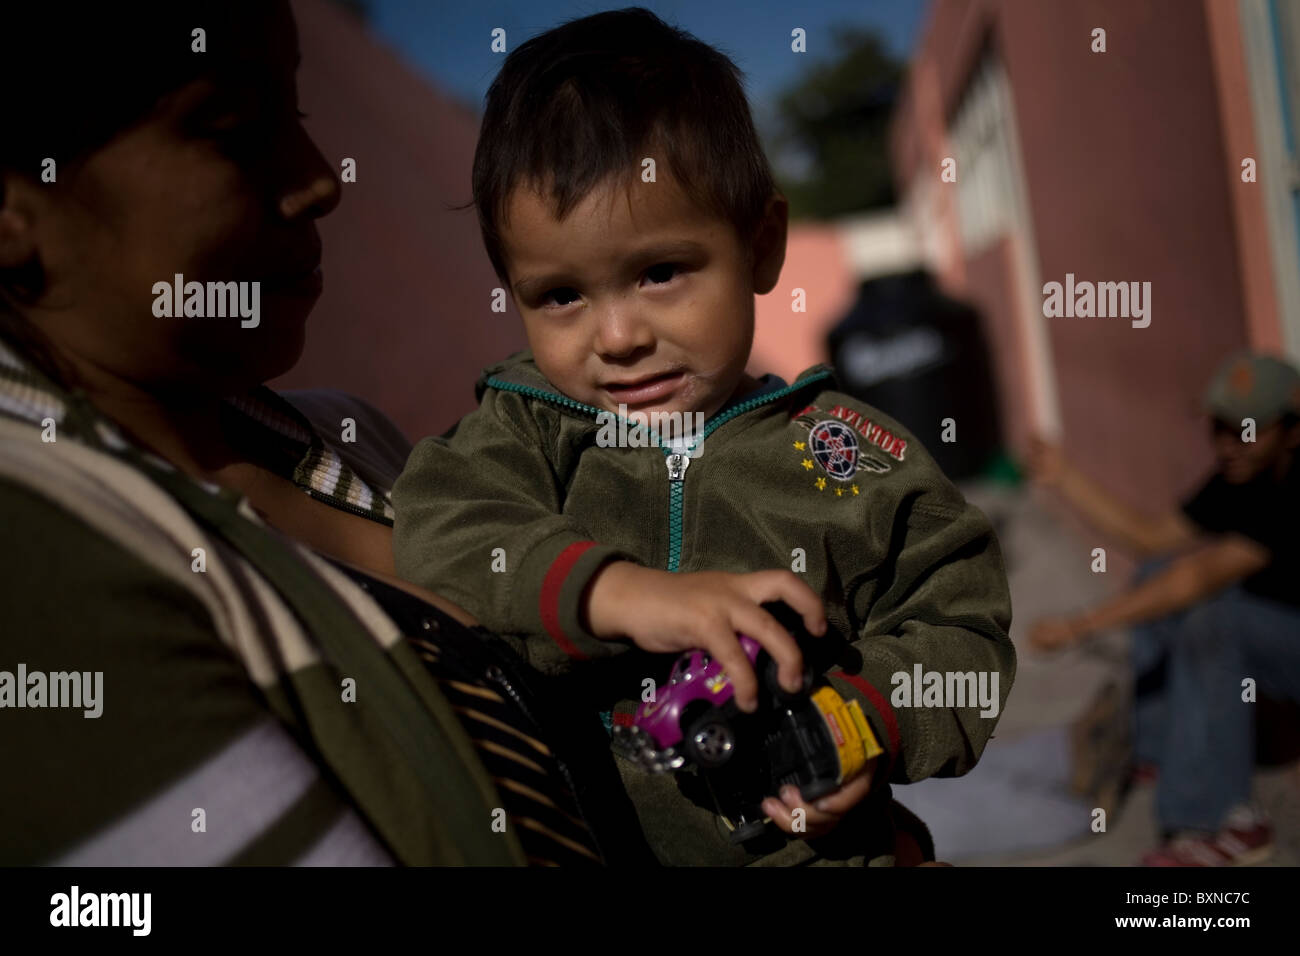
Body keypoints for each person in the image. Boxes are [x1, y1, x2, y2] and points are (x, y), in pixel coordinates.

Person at [392, 8, 1015, 865]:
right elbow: (437, 528)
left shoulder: (847, 455)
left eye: (659, 273)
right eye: (561, 296)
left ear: (761, 247)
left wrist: (863, 721)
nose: (616, 338)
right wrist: (620, 593)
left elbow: (964, 632)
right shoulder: (524, 431)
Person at [0, 1, 609, 866]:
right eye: (233, 126)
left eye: (300, 115)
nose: (321, 177)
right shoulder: (37, 559)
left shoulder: (341, 440)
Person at [1026, 352, 1300, 866]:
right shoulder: (1240, 475)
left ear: (1292, 432)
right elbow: (1152, 540)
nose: (1225, 444)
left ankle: (1218, 822)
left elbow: (1196, 579)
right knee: (1157, 576)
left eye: (1245, 430)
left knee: (1213, 616)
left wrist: (1077, 627)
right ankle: (1160, 751)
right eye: (1218, 427)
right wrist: (1065, 478)